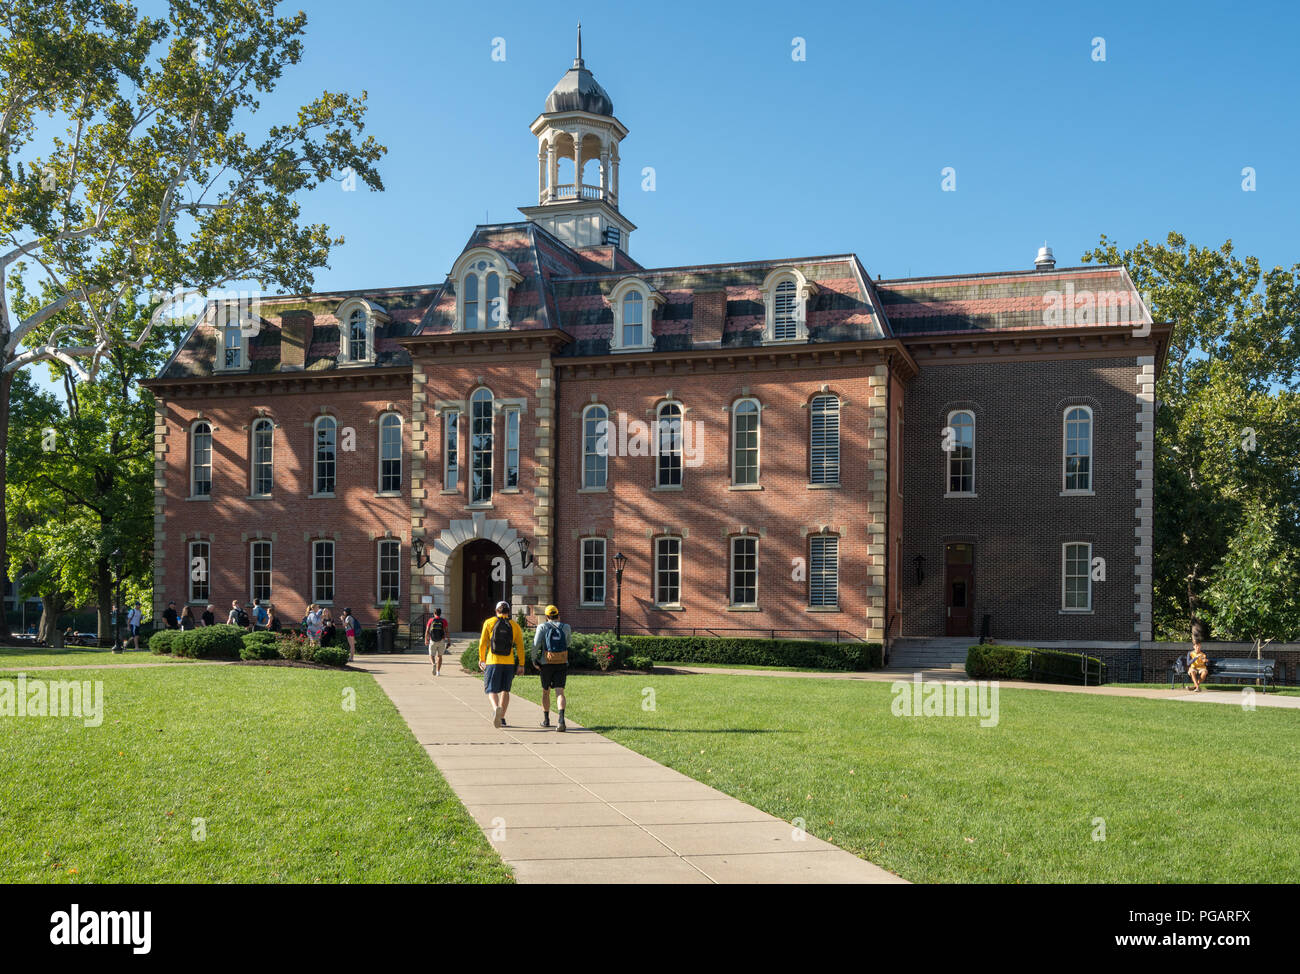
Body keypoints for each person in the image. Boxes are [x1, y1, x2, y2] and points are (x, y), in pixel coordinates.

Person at [478, 601, 524, 728]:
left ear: (496, 610)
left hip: (493, 661)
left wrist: (481, 659)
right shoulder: (514, 626)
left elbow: (483, 643)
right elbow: (520, 646)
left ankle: (496, 708)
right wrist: (521, 664)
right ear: (508, 612)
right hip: (509, 663)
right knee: (505, 690)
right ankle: (502, 718)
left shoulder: (489, 622)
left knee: (491, 689)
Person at [533, 604, 572, 731]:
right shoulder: (566, 627)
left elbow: (536, 645)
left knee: (546, 692)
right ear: (558, 615)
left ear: (546, 616)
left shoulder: (542, 627)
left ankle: (546, 720)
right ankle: (561, 720)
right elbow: (568, 643)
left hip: (546, 663)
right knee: (560, 692)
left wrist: (534, 659)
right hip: (561, 662)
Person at [425, 608, 450, 676]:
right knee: (440, 656)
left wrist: (426, 639)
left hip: (432, 640)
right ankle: (438, 672)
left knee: (431, 655)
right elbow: (447, 631)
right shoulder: (444, 620)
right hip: (441, 640)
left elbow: (427, 631)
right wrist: (449, 641)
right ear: (440, 613)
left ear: (434, 613)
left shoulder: (431, 620)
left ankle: (433, 664)